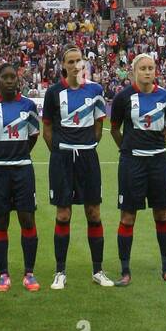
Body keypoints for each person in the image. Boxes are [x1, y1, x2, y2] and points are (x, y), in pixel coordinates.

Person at [42, 44, 114, 290]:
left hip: (87, 159)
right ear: (63, 65)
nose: (75, 65)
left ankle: (98, 270)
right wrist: (60, 150)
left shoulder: (95, 90)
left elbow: (98, 127)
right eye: (70, 61)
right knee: (63, 214)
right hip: (62, 159)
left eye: (78, 61)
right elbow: (48, 129)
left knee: (93, 213)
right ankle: (60, 272)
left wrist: (88, 145)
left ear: (84, 64)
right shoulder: (53, 93)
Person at [110, 53, 166, 286]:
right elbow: (115, 130)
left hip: (158, 162)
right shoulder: (123, 98)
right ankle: (125, 271)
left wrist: (155, 146)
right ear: (134, 72)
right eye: (143, 68)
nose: (148, 72)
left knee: (162, 214)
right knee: (128, 217)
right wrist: (129, 150)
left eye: (151, 67)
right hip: (132, 163)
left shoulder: (165, 96)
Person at [0, 62, 41, 292]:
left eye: (14, 77)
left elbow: (33, 135)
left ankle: (29, 273)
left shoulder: (28, 105)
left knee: (27, 219)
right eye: (6, 77)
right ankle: (3, 274)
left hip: (23, 169)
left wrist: (20, 154)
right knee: (0, 221)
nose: (11, 80)